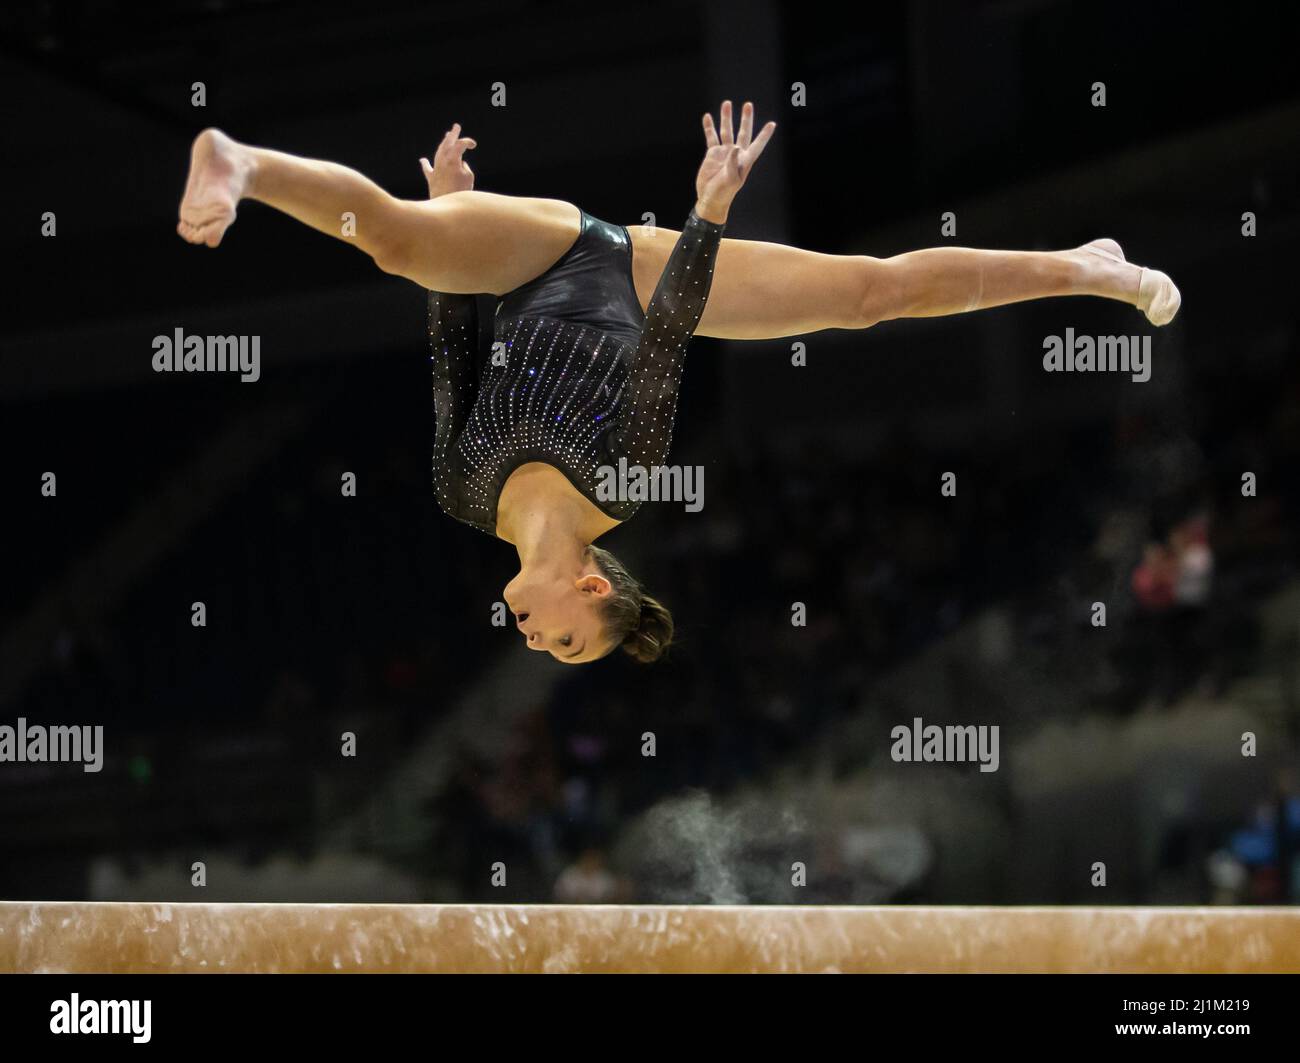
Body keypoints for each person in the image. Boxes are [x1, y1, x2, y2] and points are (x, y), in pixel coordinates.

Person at [177, 101, 1180, 665]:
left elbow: (451, 363)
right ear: (588, 585)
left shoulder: (461, 496)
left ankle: (1088, 263)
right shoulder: (619, 486)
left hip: (519, 268)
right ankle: (240, 162)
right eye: (569, 644)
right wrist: (706, 214)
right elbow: (662, 344)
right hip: (632, 264)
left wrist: (450, 227)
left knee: (408, 249)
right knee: (870, 298)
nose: (541, 646)